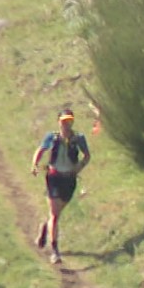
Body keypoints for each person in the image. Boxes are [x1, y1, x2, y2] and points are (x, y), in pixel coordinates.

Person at [29, 108, 90, 264]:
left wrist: (79, 167)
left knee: (56, 212)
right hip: (54, 177)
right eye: (63, 121)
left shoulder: (78, 138)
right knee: (55, 215)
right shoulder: (52, 137)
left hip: (69, 179)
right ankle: (55, 250)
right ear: (58, 122)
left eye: (69, 121)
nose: (66, 124)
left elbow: (87, 155)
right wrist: (34, 165)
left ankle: (45, 226)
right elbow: (41, 150)